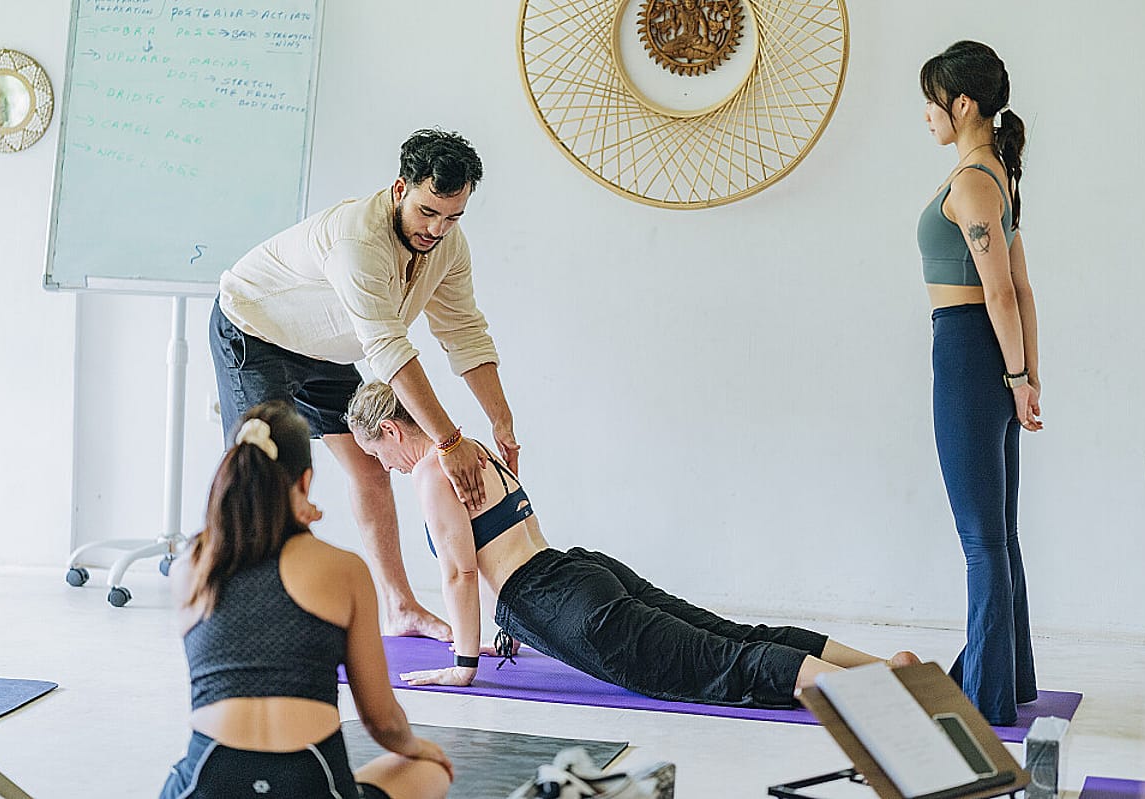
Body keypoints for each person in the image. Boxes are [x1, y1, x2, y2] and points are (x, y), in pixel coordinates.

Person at [344, 381, 920, 707]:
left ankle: (873, 699)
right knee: (731, 634)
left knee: (713, 662)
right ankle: (883, 669)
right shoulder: (473, 451)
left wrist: (463, 664)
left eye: (379, 455)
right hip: (580, 569)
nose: (387, 468)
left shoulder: (429, 472)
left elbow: (461, 574)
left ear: (392, 431)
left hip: (559, 600)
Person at [210, 128, 521, 641]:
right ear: (401, 189)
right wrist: (449, 440)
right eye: (427, 212)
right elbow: (390, 349)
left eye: (452, 216)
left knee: (372, 467)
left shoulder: (448, 245)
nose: (437, 228)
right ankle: (251, 616)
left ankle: (398, 608)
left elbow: (462, 330)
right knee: (263, 477)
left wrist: (501, 420)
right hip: (255, 330)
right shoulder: (358, 240)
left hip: (327, 347)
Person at [162, 401, 452, 799]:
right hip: (309, 781)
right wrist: (420, 749)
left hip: (208, 781)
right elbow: (382, 721)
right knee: (427, 772)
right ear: (306, 480)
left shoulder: (188, 568)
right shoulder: (344, 569)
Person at [917, 40, 1041, 725]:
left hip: (967, 352)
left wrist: (1017, 375)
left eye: (931, 102)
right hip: (993, 360)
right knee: (1000, 533)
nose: (927, 116)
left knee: (981, 539)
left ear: (962, 103)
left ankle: (986, 698)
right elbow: (1024, 289)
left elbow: (1000, 292)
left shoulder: (971, 181)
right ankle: (1011, 680)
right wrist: (1025, 377)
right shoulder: (997, 173)